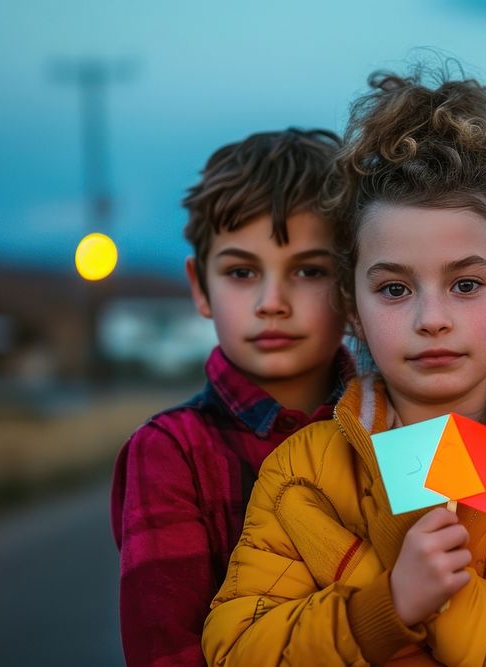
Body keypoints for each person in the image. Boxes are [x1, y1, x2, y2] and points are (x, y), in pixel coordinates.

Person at [202, 69, 486, 666]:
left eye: (466, 284)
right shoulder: (302, 468)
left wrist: (419, 588)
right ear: (354, 312)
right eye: (394, 289)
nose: (432, 318)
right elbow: (235, 649)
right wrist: (384, 604)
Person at [110, 129, 354, 667]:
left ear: (355, 284)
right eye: (242, 272)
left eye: (310, 271)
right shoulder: (170, 453)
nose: (272, 302)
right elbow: (166, 652)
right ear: (200, 286)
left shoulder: (401, 429)